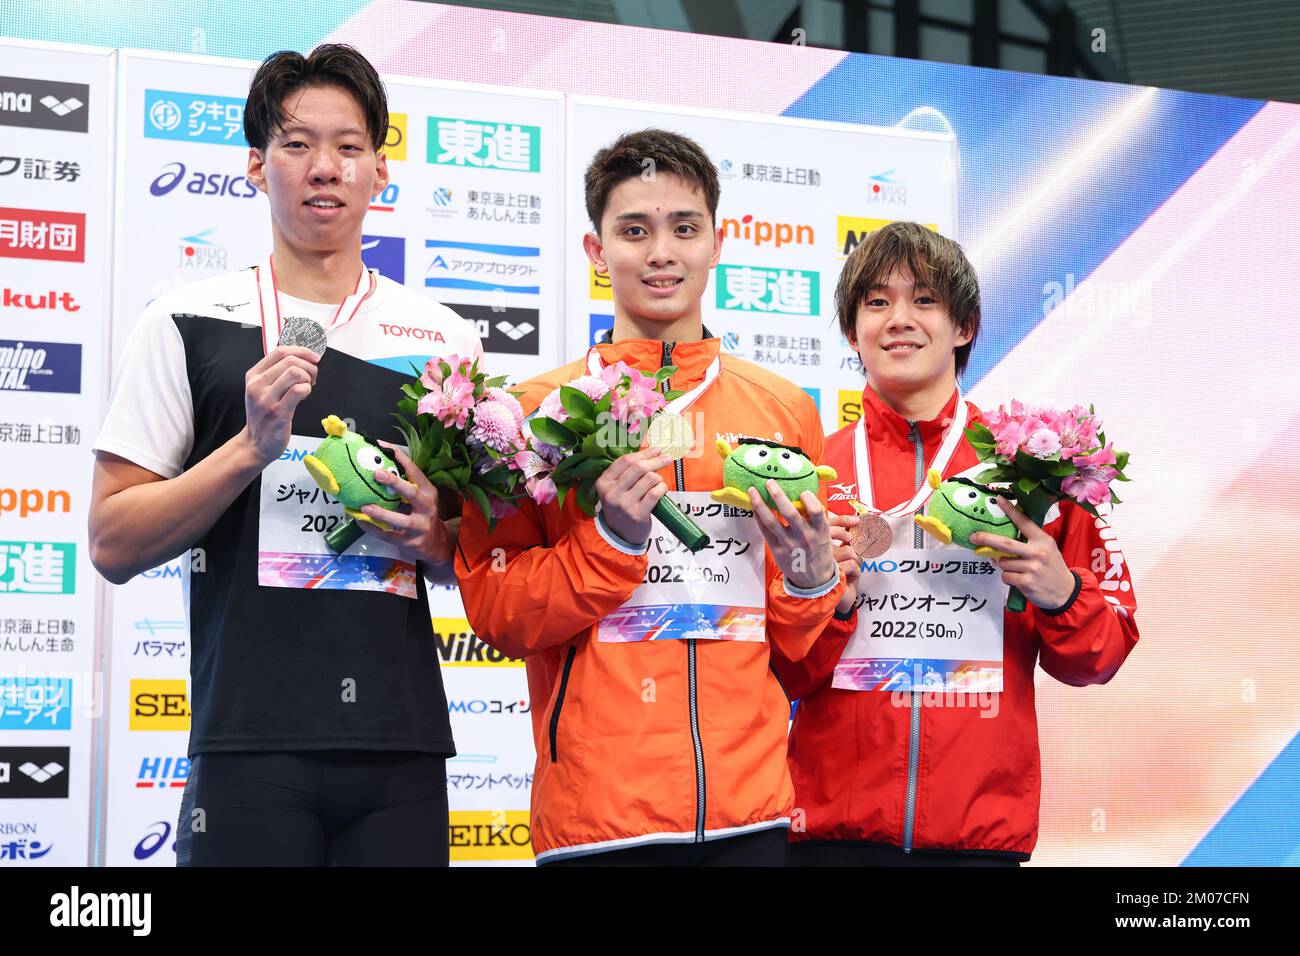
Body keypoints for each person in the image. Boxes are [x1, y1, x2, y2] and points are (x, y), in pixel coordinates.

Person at [89, 44, 480, 866]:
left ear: (381, 168)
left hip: (400, 741)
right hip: (246, 739)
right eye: (297, 144)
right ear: (255, 166)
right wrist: (247, 449)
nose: (323, 168)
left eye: (348, 146)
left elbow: (473, 559)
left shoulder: (443, 340)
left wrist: (436, 539)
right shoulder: (186, 319)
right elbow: (113, 542)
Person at [454, 129, 844, 866]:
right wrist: (612, 540)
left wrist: (811, 579)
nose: (662, 252)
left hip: (750, 815)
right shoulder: (529, 414)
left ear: (717, 243)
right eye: (635, 230)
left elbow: (796, 651)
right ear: (596, 251)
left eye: (683, 228)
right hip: (599, 820)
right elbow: (499, 611)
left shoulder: (784, 411)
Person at [774, 221, 1139, 866]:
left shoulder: (1031, 472)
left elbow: (1098, 658)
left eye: (925, 300)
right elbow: (780, 673)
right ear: (852, 330)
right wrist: (831, 602)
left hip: (979, 841)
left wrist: (1062, 596)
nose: (899, 320)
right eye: (877, 302)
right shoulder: (813, 474)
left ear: (964, 326)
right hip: (832, 838)